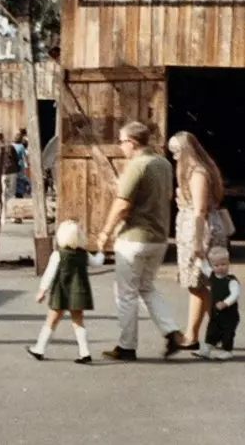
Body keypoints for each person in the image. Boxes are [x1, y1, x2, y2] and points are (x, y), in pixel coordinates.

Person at [98, 121, 183, 361]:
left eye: (122, 141)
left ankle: (127, 346)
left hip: (134, 238)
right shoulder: (164, 164)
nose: (120, 146)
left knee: (125, 293)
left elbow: (122, 204)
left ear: (133, 143)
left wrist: (105, 231)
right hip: (158, 236)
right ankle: (171, 331)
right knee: (146, 286)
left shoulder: (137, 165)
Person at [167, 131, 229, 351]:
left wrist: (197, 243)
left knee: (203, 284)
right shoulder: (197, 170)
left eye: (175, 151)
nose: (173, 156)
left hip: (200, 232)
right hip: (195, 230)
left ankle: (216, 334)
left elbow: (200, 209)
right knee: (199, 285)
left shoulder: (197, 172)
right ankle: (194, 334)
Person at [27, 220, 105, 364]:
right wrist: (101, 249)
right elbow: (98, 262)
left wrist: (42, 290)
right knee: (78, 321)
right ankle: (84, 352)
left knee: (52, 320)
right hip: (79, 292)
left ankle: (39, 348)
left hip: (61, 291)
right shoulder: (84, 254)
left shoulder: (58, 255)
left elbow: (49, 274)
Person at [193, 246, 240, 361]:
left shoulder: (231, 280)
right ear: (213, 266)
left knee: (227, 333)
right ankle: (207, 349)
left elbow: (235, 294)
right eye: (217, 265)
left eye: (224, 264)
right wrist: (202, 258)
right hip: (216, 313)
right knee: (212, 330)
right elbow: (205, 268)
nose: (220, 268)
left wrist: (226, 303)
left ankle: (227, 350)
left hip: (229, 315)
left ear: (228, 263)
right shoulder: (213, 276)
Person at [0, 130, 20, 226]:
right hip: (13, 172)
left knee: (3, 195)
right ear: (3, 137)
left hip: (3, 173)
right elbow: (17, 159)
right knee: (11, 194)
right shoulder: (10, 147)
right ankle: (12, 216)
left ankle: (3, 217)